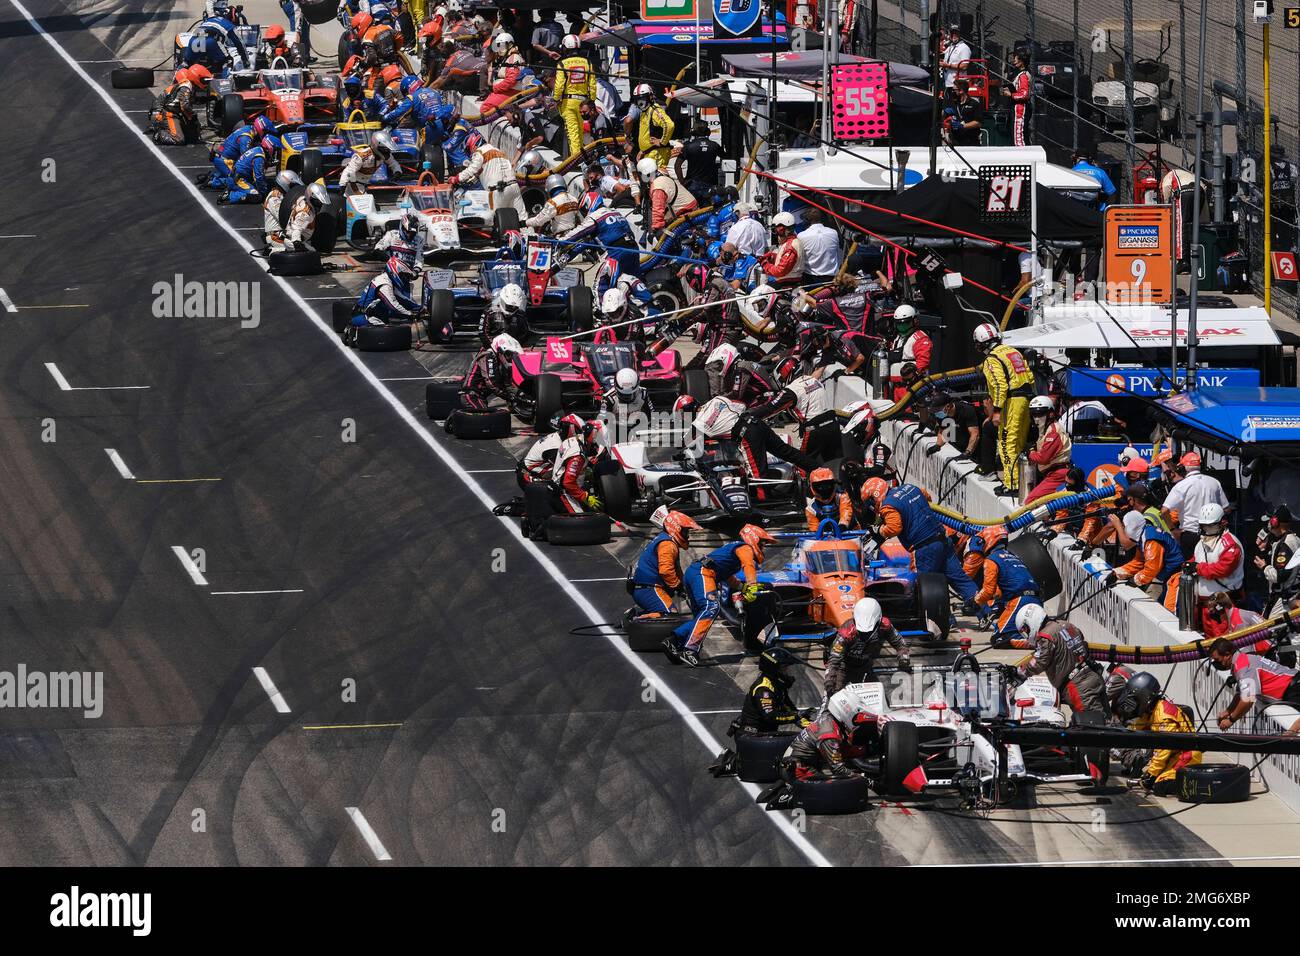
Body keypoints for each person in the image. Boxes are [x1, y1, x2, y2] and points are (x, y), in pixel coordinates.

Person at [666, 524, 776, 667]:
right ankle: (690, 649)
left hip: (694, 573)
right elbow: (748, 566)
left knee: (703, 616)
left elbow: (727, 576)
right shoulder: (745, 548)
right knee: (711, 608)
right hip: (702, 574)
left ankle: (674, 640)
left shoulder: (733, 550)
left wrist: (742, 587)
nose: (763, 548)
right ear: (754, 539)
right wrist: (752, 586)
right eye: (762, 544)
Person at [861, 479, 979, 604]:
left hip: (925, 547)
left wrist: (879, 530)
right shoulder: (910, 487)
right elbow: (927, 497)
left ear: (875, 495)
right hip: (943, 539)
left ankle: (942, 621)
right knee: (961, 580)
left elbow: (893, 528)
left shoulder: (888, 505)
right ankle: (986, 613)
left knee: (924, 589)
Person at [1113, 672, 1203, 793]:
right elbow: (1135, 730)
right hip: (1172, 756)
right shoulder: (1151, 711)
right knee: (1155, 780)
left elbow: (1163, 750)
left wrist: (1151, 774)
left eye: (1134, 699)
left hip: (1186, 755)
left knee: (1160, 785)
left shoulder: (1164, 715)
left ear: (1144, 697)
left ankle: (1195, 782)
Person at [1010, 604, 1107, 715]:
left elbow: (1039, 662)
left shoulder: (1045, 636)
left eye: (1025, 629)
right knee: (1108, 724)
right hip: (1093, 677)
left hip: (1079, 687)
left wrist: (1019, 672)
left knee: (1093, 727)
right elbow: (1082, 641)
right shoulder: (1066, 624)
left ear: (1031, 621)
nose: (1026, 633)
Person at [974, 321, 1035, 497]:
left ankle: (1012, 485)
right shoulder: (1013, 351)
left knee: (1007, 443)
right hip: (1025, 400)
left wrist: (997, 411)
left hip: (1011, 403)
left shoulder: (991, 360)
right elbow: (1029, 376)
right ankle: (1023, 483)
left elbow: (1000, 386)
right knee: (1020, 443)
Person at [1113, 482, 1184, 614]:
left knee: (1169, 612)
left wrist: (1135, 580)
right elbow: (1139, 561)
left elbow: (1151, 567)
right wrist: (1116, 572)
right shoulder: (1144, 535)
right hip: (1164, 575)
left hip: (1174, 576)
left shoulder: (1150, 536)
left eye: (1125, 527)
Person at [823, 597, 911, 700]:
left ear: (878, 620)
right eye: (861, 631)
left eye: (869, 631)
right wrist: (830, 677)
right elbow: (834, 658)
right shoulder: (846, 632)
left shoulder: (885, 625)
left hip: (865, 668)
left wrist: (904, 657)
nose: (865, 634)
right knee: (833, 700)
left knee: (881, 701)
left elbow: (900, 643)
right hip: (843, 669)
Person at [1209, 637, 1300, 733]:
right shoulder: (1241, 660)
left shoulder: (1243, 666)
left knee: (1290, 733)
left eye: (1217, 660)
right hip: (1292, 687)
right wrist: (1227, 711)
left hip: (1294, 687)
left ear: (1227, 655)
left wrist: (1231, 720)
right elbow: (1241, 694)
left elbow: (1248, 700)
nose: (1216, 664)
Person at [750, 373, 839, 464]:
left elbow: (770, 409)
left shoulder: (791, 391)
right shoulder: (812, 379)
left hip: (814, 430)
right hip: (833, 424)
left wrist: (747, 417)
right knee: (835, 463)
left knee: (802, 464)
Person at [972, 531, 1041, 646]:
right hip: (1036, 600)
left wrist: (975, 601)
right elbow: (1000, 591)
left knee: (999, 639)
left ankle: (1040, 644)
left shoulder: (991, 560)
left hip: (1019, 601)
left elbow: (988, 590)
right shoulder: (1013, 556)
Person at [630, 508, 701, 615]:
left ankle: (638, 616)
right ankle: (634, 618)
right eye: (685, 531)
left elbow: (676, 569)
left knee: (669, 614)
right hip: (648, 589)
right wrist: (678, 586)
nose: (687, 535)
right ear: (676, 528)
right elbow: (666, 571)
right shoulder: (668, 544)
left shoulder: (665, 539)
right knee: (670, 615)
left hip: (646, 588)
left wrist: (683, 586)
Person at [1161, 452, 1229, 557]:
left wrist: (1173, 530)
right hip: (1213, 533)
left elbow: (1164, 511)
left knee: (1192, 569)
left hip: (1190, 535)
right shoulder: (1214, 482)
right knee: (1211, 566)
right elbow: (1227, 509)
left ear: (1183, 468)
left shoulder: (1181, 486)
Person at [1192, 502, 1245, 635]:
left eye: (1211, 525)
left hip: (1223, 604)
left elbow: (1222, 569)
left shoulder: (1230, 543)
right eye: (1204, 525)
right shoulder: (1202, 541)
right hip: (1205, 606)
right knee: (1209, 643)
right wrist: (1188, 565)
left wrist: (1198, 568)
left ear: (1223, 522)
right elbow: (1195, 560)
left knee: (1223, 642)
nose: (1207, 529)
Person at [557, 192, 640, 275]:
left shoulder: (595, 216)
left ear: (588, 205)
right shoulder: (616, 212)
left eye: (584, 209)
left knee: (600, 285)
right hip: (634, 249)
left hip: (616, 252)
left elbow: (577, 233)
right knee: (633, 280)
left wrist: (560, 241)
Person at [449, 130, 525, 217]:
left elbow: (472, 169)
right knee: (521, 218)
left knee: (495, 220)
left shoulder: (480, 152)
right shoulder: (498, 150)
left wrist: (457, 178)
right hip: (514, 186)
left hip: (498, 190)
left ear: (474, 145)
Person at [553, 34, 595, 158]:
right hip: (584, 103)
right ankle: (582, 158)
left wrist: (555, 99)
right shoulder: (587, 62)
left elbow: (559, 85)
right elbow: (592, 84)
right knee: (581, 131)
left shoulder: (562, 64)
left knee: (572, 133)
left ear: (565, 47)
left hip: (568, 102)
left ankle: (576, 160)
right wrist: (591, 101)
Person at [552, 419, 606, 516]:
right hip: (564, 492)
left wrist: (585, 472)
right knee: (582, 521)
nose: (596, 448)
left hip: (565, 483)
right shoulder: (577, 456)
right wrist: (585, 497)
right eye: (596, 443)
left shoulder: (574, 439)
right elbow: (568, 483)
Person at [352, 255, 424, 327]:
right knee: (392, 333)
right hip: (364, 318)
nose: (405, 279)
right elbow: (393, 306)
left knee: (396, 318)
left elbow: (402, 299)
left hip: (372, 314)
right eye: (404, 276)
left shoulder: (387, 280)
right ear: (394, 272)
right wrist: (411, 315)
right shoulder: (384, 284)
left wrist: (420, 308)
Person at [1025, 395, 1072, 503]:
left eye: (1040, 414)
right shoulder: (1046, 429)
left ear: (1050, 414)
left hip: (1057, 475)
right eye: (1034, 415)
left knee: (1031, 501)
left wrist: (1030, 453)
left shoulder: (1053, 432)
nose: (1037, 418)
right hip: (1051, 474)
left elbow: (1043, 458)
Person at [149, 65, 212, 146]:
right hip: (170, 114)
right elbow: (185, 106)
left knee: (192, 138)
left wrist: (207, 99)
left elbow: (191, 101)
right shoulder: (185, 87)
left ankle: (168, 127)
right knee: (178, 139)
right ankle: (159, 134)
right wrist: (192, 116)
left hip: (178, 114)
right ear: (196, 78)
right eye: (204, 81)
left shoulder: (190, 86)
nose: (206, 84)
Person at [639, 157, 697, 239]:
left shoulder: (657, 187)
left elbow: (658, 209)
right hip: (691, 209)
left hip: (686, 213)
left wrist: (656, 229)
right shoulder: (662, 174)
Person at [460, 333, 521, 410]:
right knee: (485, 418)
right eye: (508, 354)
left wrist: (519, 395)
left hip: (480, 397)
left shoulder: (498, 359)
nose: (509, 357)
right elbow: (491, 383)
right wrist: (509, 397)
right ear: (500, 349)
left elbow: (507, 384)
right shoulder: (488, 356)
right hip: (471, 396)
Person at [1260, 506, 1300, 615]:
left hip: (1284, 600)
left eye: (1270, 520)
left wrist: (1264, 567)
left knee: (1268, 630)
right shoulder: (1290, 539)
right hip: (1289, 596)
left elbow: (1279, 576)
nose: (1268, 523)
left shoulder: (1285, 544)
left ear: (1275, 522)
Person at [626, 83, 674, 168]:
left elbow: (669, 125)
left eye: (642, 98)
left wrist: (662, 142)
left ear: (650, 97)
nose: (640, 102)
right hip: (649, 154)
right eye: (637, 99)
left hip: (657, 155)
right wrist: (643, 151)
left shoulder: (654, 110)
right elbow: (646, 134)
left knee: (655, 181)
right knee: (646, 180)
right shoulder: (645, 112)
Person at [674, 122, 723, 205]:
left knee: (692, 212)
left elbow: (677, 166)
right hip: (710, 185)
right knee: (708, 210)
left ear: (693, 132)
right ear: (708, 132)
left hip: (692, 185)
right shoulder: (715, 146)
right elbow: (727, 158)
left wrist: (682, 182)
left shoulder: (688, 146)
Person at [223, 135, 279, 204]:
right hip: (238, 180)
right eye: (275, 150)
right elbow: (258, 177)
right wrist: (264, 192)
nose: (275, 153)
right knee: (257, 196)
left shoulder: (258, 149)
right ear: (269, 147)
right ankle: (230, 196)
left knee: (269, 182)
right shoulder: (259, 157)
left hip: (238, 176)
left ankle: (234, 190)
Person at [276, 180, 328, 252]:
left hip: (296, 237)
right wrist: (297, 242)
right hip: (292, 240)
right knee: (312, 253)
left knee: (312, 251)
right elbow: (297, 229)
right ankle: (275, 250)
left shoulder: (302, 199)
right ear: (311, 198)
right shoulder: (305, 214)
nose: (320, 204)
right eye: (318, 202)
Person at [524, 173, 579, 237]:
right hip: (575, 235)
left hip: (561, 239)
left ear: (550, 188)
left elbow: (538, 221)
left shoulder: (553, 203)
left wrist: (524, 223)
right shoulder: (574, 199)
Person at [929, 391, 980, 458]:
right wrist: (937, 446)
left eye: (937, 410)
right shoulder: (942, 416)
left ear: (947, 406)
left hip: (974, 448)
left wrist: (967, 452)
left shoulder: (966, 410)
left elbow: (975, 434)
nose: (936, 413)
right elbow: (944, 432)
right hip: (958, 445)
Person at [760, 212, 805, 287]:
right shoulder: (791, 242)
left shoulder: (790, 246)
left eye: (776, 228)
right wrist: (773, 256)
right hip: (790, 283)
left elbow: (780, 271)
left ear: (782, 229)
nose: (776, 232)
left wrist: (764, 264)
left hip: (787, 285)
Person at [797, 210, 842, 285]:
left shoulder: (801, 236)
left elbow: (799, 260)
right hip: (832, 279)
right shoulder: (833, 233)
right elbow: (838, 255)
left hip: (811, 279)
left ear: (807, 221)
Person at [262, 169, 302, 249]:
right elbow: (283, 218)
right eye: (292, 185)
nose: (293, 188)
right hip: (276, 236)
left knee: (312, 250)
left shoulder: (283, 196)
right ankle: (273, 251)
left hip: (285, 235)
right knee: (300, 250)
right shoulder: (274, 198)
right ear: (285, 183)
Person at [805, 467, 854, 531]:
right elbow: (814, 531)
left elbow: (846, 510)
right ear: (812, 487)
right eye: (820, 486)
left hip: (851, 534)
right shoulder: (811, 509)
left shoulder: (842, 496)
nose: (824, 489)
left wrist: (842, 525)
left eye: (827, 485)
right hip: (825, 538)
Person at [941, 79, 984, 147]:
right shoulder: (952, 103)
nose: (952, 92)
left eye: (954, 90)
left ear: (961, 90)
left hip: (971, 141)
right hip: (955, 141)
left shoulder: (974, 104)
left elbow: (978, 122)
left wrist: (962, 126)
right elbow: (943, 118)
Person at [1002, 50, 1032, 146]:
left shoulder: (1023, 75)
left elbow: (1024, 94)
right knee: (1017, 136)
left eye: (1015, 59)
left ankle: (1022, 160)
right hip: (1018, 108)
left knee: (1018, 137)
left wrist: (1011, 95)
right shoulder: (1020, 74)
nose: (1014, 61)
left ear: (1021, 61)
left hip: (1020, 109)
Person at [940, 23, 972, 92]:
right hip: (947, 82)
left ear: (960, 34)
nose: (953, 35)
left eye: (956, 33)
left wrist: (948, 65)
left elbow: (964, 66)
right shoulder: (950, 47)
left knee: (954, 101)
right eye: (952, 33)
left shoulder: (964, 48)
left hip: (957, 84)